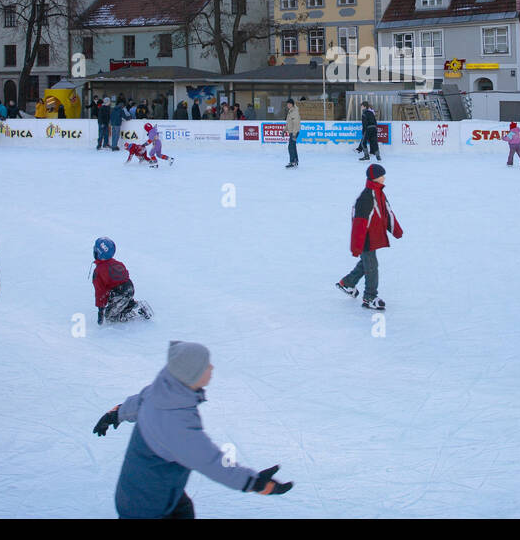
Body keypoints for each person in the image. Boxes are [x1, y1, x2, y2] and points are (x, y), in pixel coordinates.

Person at [92, 341, 293, 518]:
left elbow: (137, 403)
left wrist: (114, 414)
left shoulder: (162, 390)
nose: (211, 367)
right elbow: (212, 462)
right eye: (206, 365)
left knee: (184, 509)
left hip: (150, 488)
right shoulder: (177, 423)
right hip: (146, 507)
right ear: (192, 374)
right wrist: (255, 483)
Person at [336, 163, 402, 310]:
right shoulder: (366, 198)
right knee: (372, 266)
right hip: (366, 238)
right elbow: (358, 226)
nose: (384, 178)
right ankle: (369, 297)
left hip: (374, 236)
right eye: (381, 176)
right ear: (375, 178)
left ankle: (347, 283)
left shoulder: (379, 193)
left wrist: (396, 230)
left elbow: (387, 213)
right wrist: (356, 247)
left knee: (367, 263)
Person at [91, 237, 153, 324]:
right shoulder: (117, 263)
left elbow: (100, 291)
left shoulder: (98, 272)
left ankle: (135, 311)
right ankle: (129, 303)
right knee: (118, 297)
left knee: (110, 317)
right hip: (129, 287)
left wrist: (101, 310)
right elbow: (125, 274)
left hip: (120, 293)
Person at [285, 99, 301, 168]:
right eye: (287, 104)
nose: (288, 105)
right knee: (293, 146)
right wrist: (284, 130)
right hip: (292, 131)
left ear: (292, 104)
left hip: (294, 132)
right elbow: (289, 123)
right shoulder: (290, 111)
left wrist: (294, 134)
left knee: (290, 147)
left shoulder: (294, 112)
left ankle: (292, 162)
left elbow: (296, 124)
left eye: (289, 104)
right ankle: (295, 160)